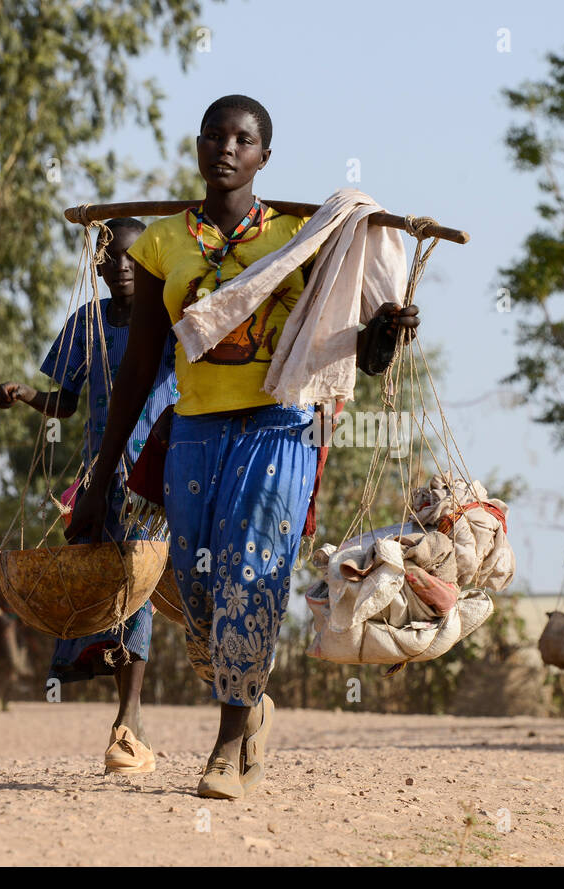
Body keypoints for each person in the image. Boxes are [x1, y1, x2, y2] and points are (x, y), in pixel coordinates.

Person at [68, 94, 419, 799]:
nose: (227, 149)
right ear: (198, 148)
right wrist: (101, 477)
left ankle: (228, 743)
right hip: (194, 433)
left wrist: (389, 328)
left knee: (254, 575)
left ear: (264, 156)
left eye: (243, 139)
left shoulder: (301, 236)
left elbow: (356, 350)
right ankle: (250, 699)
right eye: (214, 137)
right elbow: (139, 368)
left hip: (278, 428)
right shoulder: (164, 243)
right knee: (196, 597)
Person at [0, 217, 177, 774]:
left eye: (131, 258)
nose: (120, 267)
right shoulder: (85, 324)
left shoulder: (168, 321)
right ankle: (127, 716)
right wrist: (27, 394)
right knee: (103, 582)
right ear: (96, 264)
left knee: (135, 579)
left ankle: (130, 716)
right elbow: (67, 402)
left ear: (148, 265)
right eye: (109, 257)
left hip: (154, 473)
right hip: (100, 475)